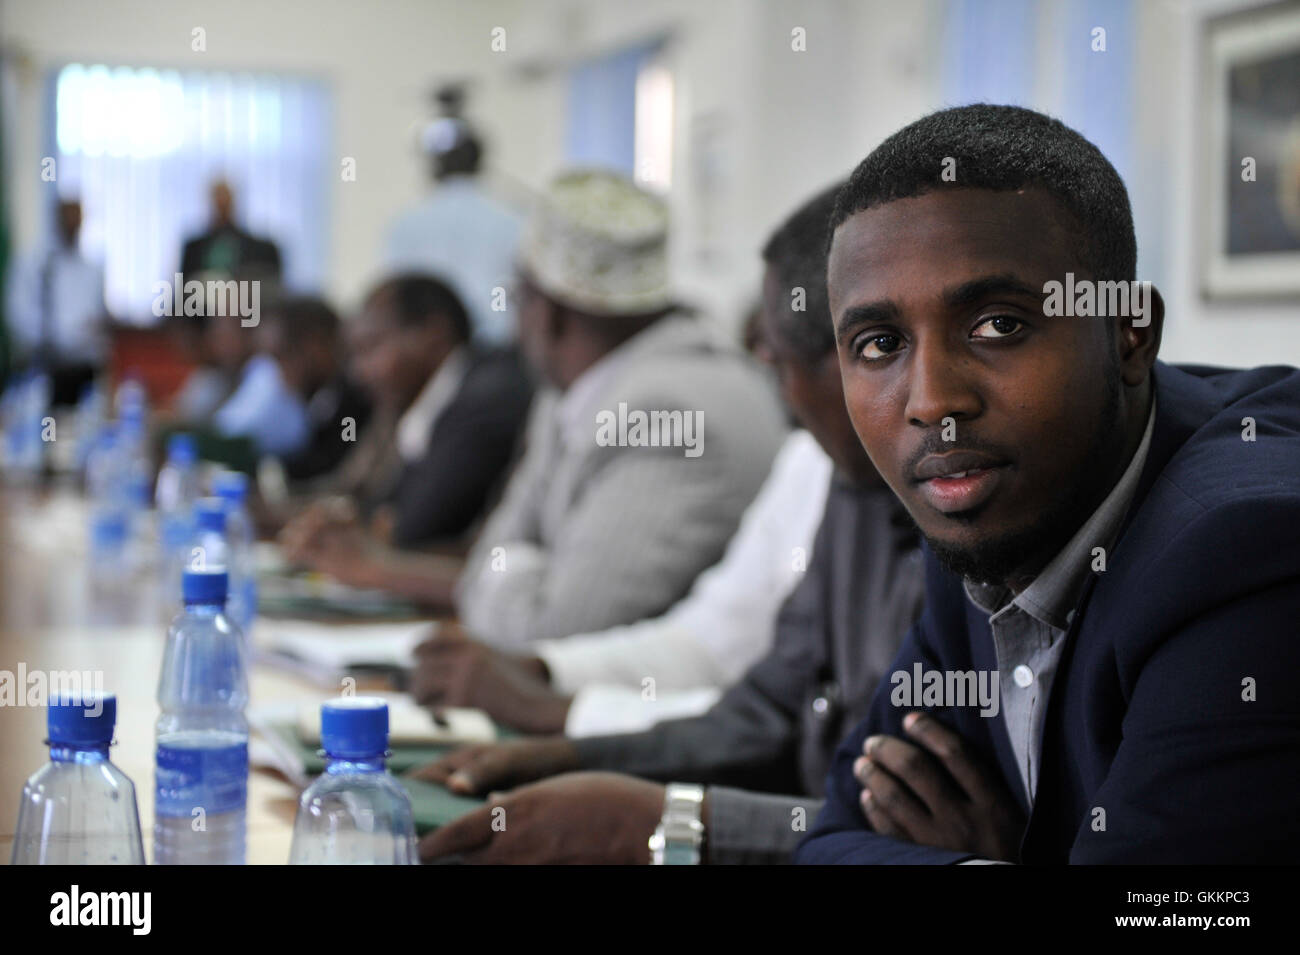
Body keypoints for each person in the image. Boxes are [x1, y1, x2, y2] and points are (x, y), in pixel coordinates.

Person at [796, 104, 1300, 865]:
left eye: (998, 325)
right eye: (880, 343)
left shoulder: (1249, 547)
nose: (932, 400)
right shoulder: (982, 497)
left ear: (1129, 334)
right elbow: (833, 838)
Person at [412, 183, 927, 865]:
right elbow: (768, 707)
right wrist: (561, 753)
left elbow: (911, 829)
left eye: (772, 359)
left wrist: (666, 820)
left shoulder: (684, 407)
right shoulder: (848, 473)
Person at [453, 169, 787, 646]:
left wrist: (519, 571)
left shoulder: (663, 411)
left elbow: (553, 633)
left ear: (547, 313)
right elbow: (483, 570)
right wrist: (522, 571)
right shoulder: (577, 391)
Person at [279, 273, 532, 566]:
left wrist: (374, 532)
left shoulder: (486, 399)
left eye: (372, 347)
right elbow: (378, 507)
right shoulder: (417, 400)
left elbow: (414, 529)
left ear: (434, 334)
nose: (360, 373)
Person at [383, 89, 522, 345]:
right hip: (499, 350)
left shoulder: (405, 224)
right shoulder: (513, 220)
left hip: (429, 352)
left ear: (432, 165)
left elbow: (396, 299)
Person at [258, 297, 372, 483]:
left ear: (316, 345)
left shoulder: (356, 401)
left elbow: (336, 467)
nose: (280, 374)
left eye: (283, 357)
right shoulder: (322, 398)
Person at [5, 199, 106, 405]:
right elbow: (16, 315)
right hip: (42, 369)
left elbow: (97, 316)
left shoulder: (92, 268)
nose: (72, 226)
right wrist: (62, 337)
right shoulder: (32, 263)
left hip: (84, 372)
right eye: (67, 219)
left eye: (76, 220)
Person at [180, 180, 282, 282]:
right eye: (218, 201)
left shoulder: (262, 249)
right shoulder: (193, 249)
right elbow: (182, 290)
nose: (221, 206)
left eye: (225, 201)